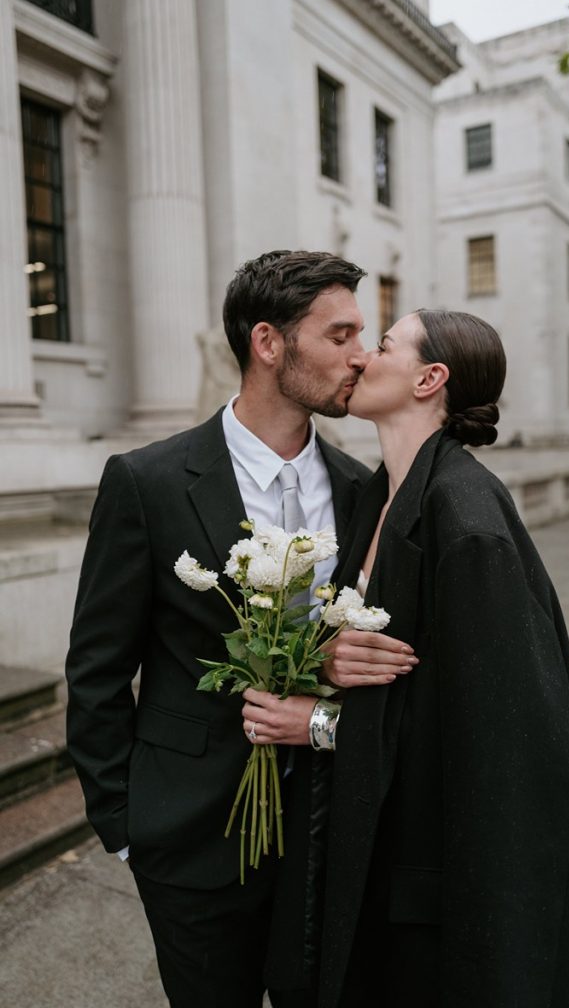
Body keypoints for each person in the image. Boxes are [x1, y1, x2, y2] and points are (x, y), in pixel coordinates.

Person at [249, 309, 569, 1007]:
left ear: (428, 378)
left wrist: (319, 725)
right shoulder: (375, 495)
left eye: (379, 347)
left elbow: (499, 739)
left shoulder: (467, 519)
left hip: (432, 887)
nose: (356, 360)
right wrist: (322, 659)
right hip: (364, 852)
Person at [64, 250, 417, 1008]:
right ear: (268, 343)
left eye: (364, 335)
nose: (361, 355)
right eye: (340, 334)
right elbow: (97, 666)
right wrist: (124, 825)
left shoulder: (364, 492)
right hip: (186, 839)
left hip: (326, 838)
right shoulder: (148, 481)